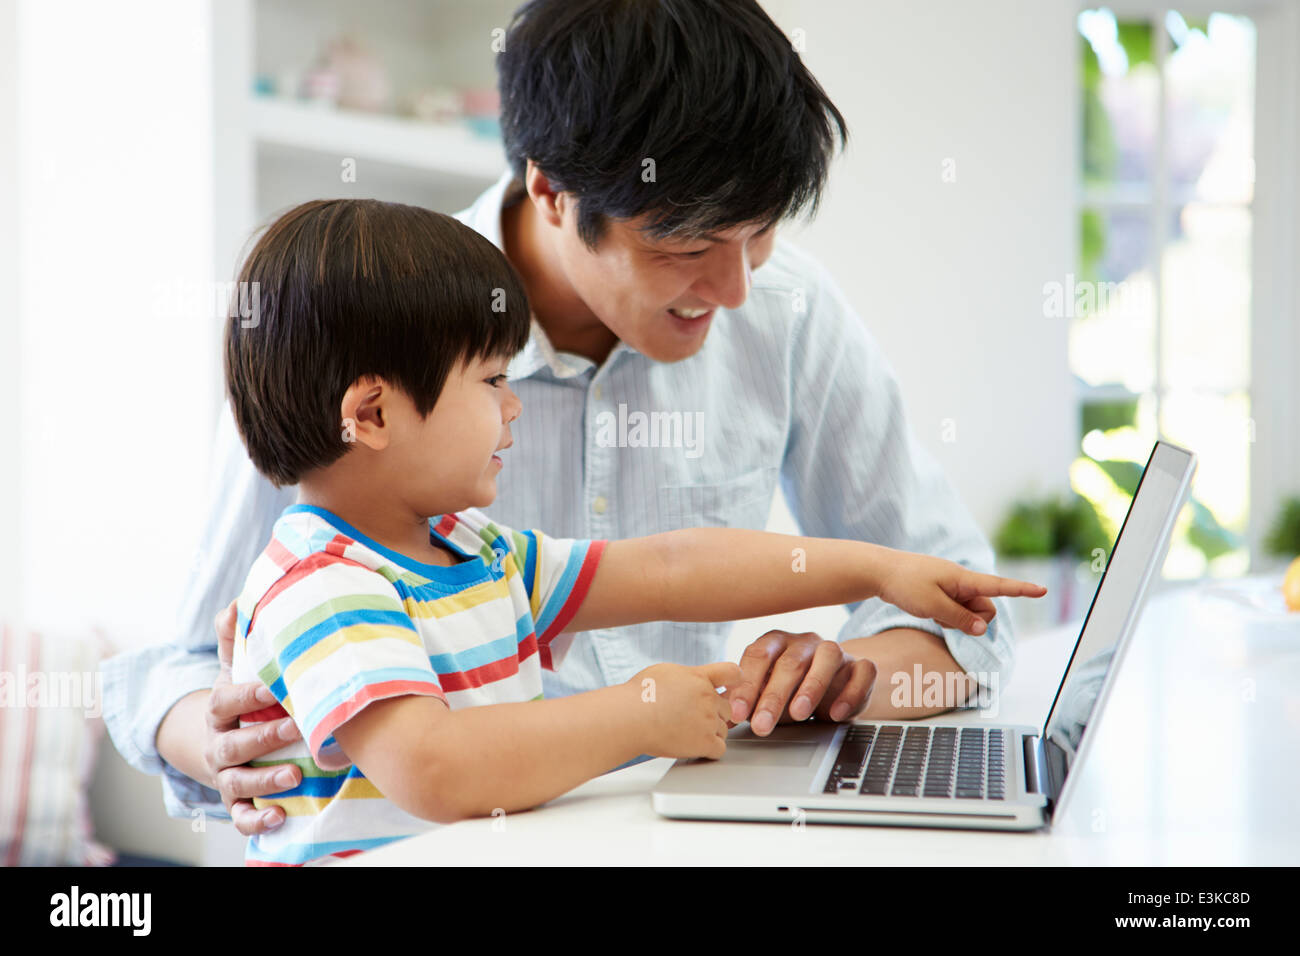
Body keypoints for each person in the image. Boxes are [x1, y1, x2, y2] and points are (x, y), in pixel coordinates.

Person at [102, 0, 1019, 840]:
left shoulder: (483, 547)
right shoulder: (351, 333)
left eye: (762, 234)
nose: (738, 290)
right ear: (550, 191)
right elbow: (181, 677)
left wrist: (872, 601)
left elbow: (669, 567)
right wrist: (212, 737)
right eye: (690, 246)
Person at [220, 197, 1043, 865]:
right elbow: (438, 768)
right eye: (493, 380)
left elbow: (673, 566)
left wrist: (872, 570)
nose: (514, 406)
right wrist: (640, 715)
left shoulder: (475, 549)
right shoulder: (322, 586)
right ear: (373, 414)